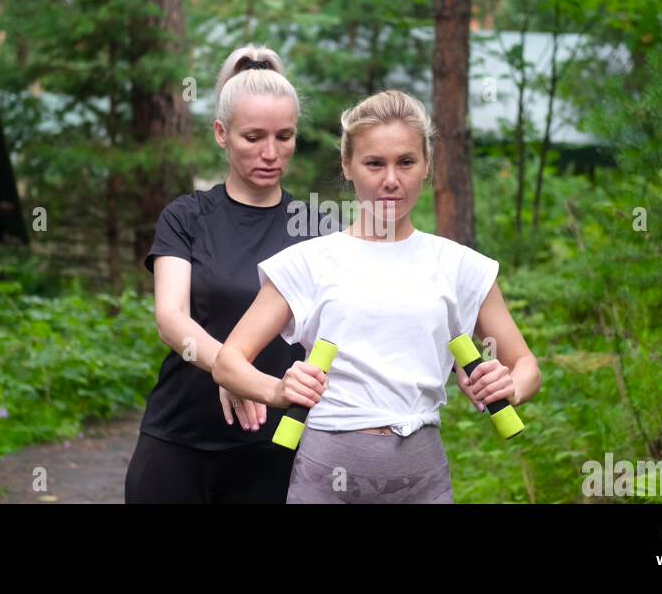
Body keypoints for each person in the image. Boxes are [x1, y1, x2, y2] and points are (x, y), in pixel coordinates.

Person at [213, 90, 542, 503]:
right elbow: (229, 361)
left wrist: (508, 385)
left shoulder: (460, 266)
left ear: (427, 166)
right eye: (374, 163)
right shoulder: (308, 263)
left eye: (406, 162)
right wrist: (278, 391)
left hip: (423, 480)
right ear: (348, 166)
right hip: (326, 478)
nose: (391, 179)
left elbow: (526, 365)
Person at [124, 45, 319, 503]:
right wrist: (234, 375)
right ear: (221, 134)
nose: (271, 153)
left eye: (284, 136)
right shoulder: (186, 217)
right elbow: (171, 319)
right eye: (253, 137)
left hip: (276, 445)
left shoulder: (316, 230)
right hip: (179, 435)